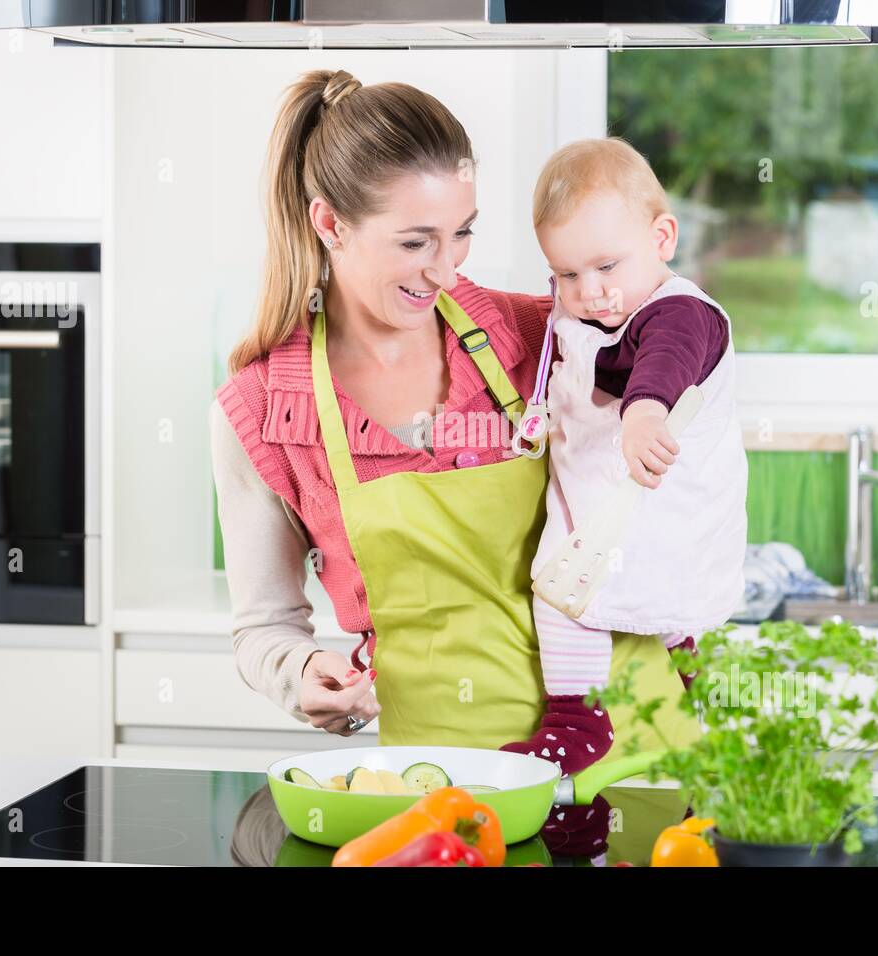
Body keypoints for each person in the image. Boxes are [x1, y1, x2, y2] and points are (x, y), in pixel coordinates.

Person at [211, 70, 696, 762]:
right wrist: (301, 675)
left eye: (461, 233)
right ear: (330, 223)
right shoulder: (261, 410)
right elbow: (264, 629)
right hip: (453, 782)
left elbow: (685, 323)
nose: (444, 269)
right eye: (415, 243)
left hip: (642, 741)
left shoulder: (540, 333)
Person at [500, 138, 748, 774]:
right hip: (593, 505)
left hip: (666, 506)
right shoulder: (582, 311)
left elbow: (664, 360)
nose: (592, 292)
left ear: (663, 237)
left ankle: (730, 744)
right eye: (568, 274)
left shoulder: (681, 313)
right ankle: (577, 722)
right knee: (561, 597)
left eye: (607, 267)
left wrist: (645, 411)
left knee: (680, 616)